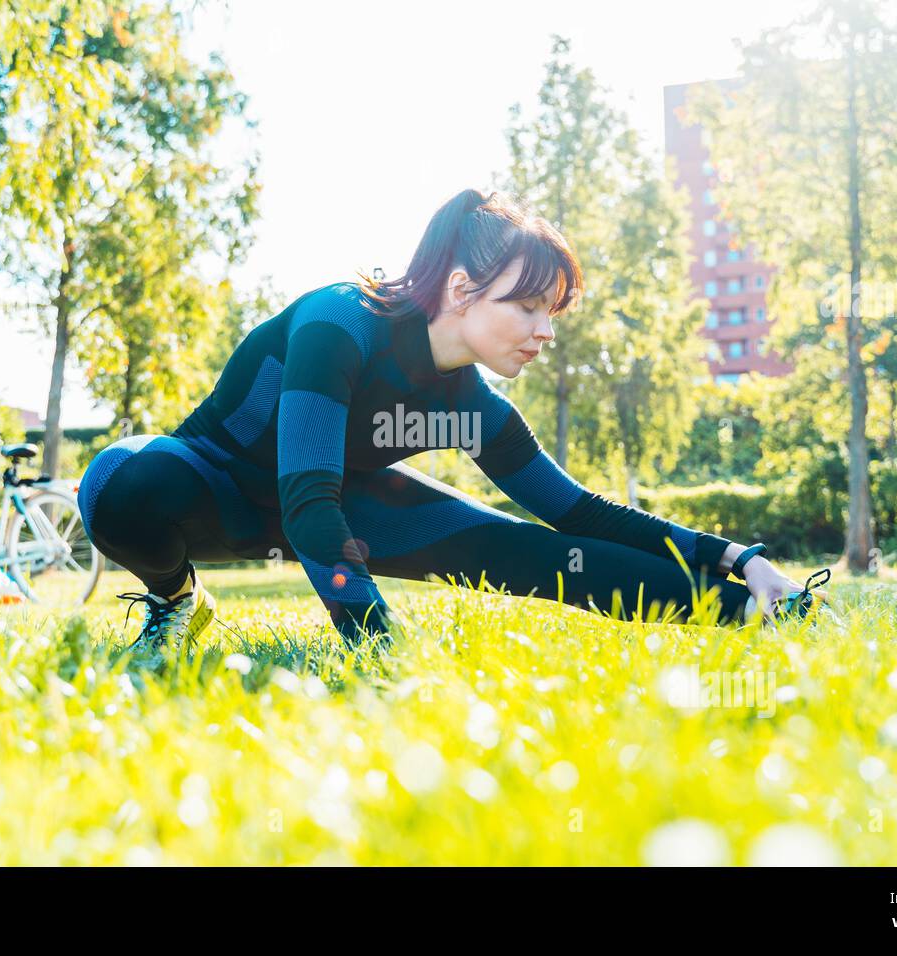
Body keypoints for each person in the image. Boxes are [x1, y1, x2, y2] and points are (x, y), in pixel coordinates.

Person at [77, 188, 834, 666]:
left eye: (553, 314)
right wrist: (381, 653)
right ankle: (177, 605)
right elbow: (307, 503)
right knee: (116, 481)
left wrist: (742, 566)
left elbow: (580, 515)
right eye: (528, 307)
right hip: (217, 488)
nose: (544, 332)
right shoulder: (340, 322)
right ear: (464, 289)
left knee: (543, 555)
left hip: (350, 505)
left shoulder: (476, 407)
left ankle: (760, 620)